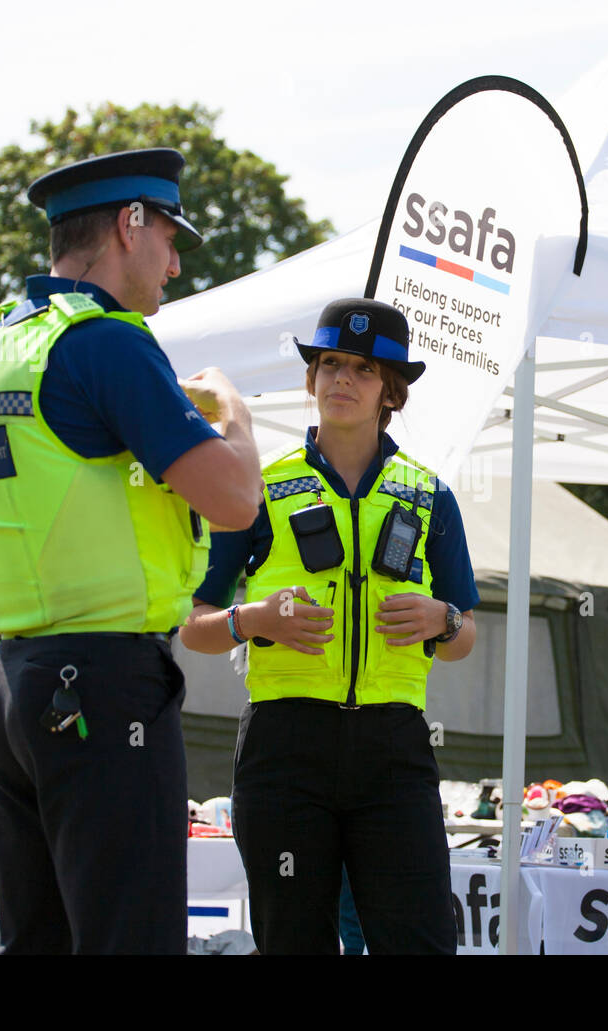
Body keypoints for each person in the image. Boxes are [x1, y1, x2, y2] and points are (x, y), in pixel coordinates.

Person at [0, 148, 263, 954]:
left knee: (36, 940)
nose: (175, 261)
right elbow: (234, 502)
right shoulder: (107, 343)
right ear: (130, 224)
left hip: (10, 679)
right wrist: (235, 417)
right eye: (168, 234)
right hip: (100, 685)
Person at [180, 297, 478, 955]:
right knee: (292, 942)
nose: (342, 379)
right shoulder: (255, 487)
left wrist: (443, 618)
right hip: (286, 747)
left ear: (390, 391)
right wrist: (253, 620)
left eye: (363, 370)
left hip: (393, 750)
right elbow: (193, 627)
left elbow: (465, 637)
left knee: (420, 941)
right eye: (330, 364)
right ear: (310, 379)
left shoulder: (430, 494)